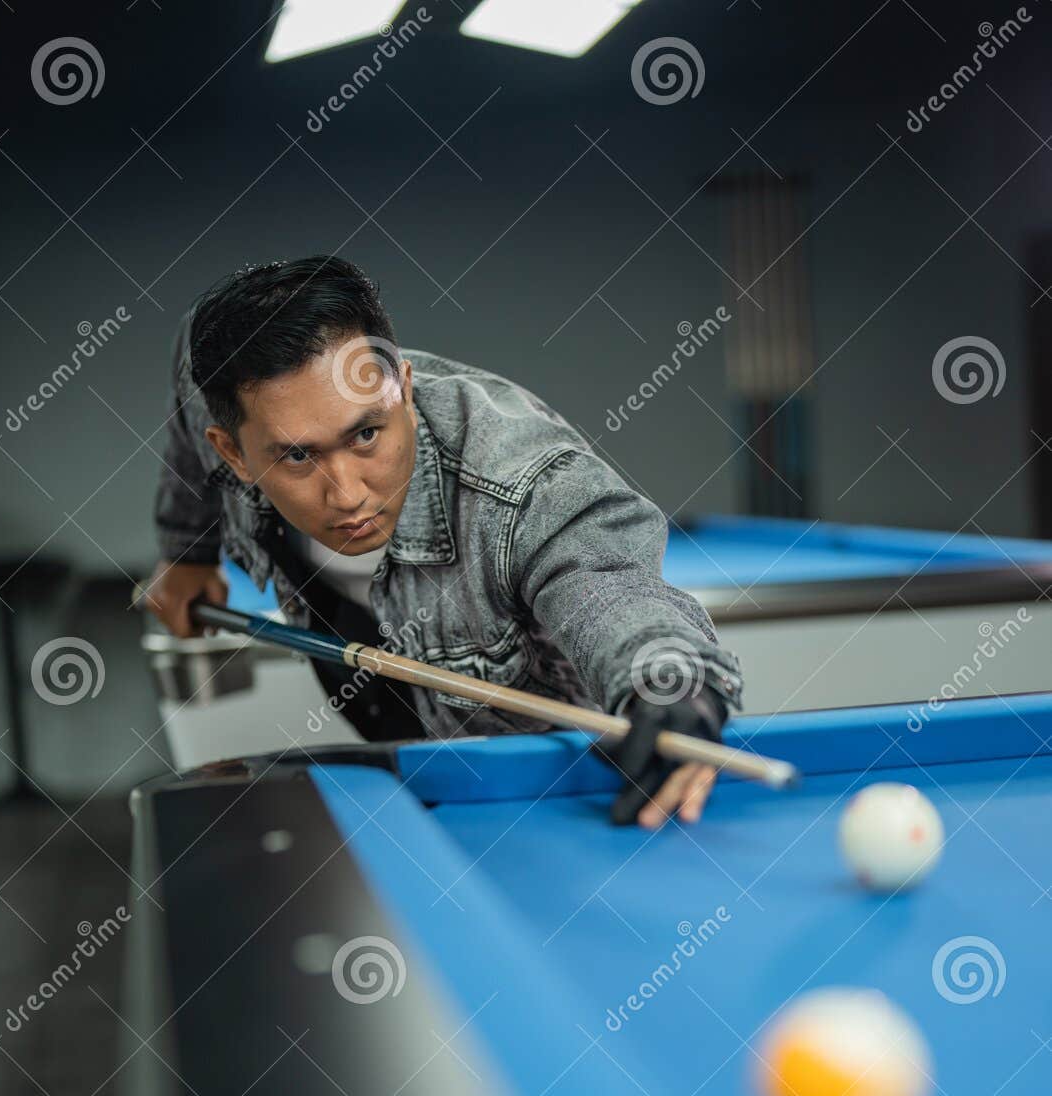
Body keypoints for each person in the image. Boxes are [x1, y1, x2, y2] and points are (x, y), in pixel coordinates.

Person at [146, 256, 741, 827]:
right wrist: (185, 550)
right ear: (233, 451)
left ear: (402, 386)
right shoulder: (220, 389)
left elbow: (612, 595)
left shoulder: (524, 491)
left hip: (538, 794)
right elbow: (184, 416)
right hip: (369, 684)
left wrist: (670, 685)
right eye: (299, 455)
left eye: (367, 434)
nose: (349, 495)